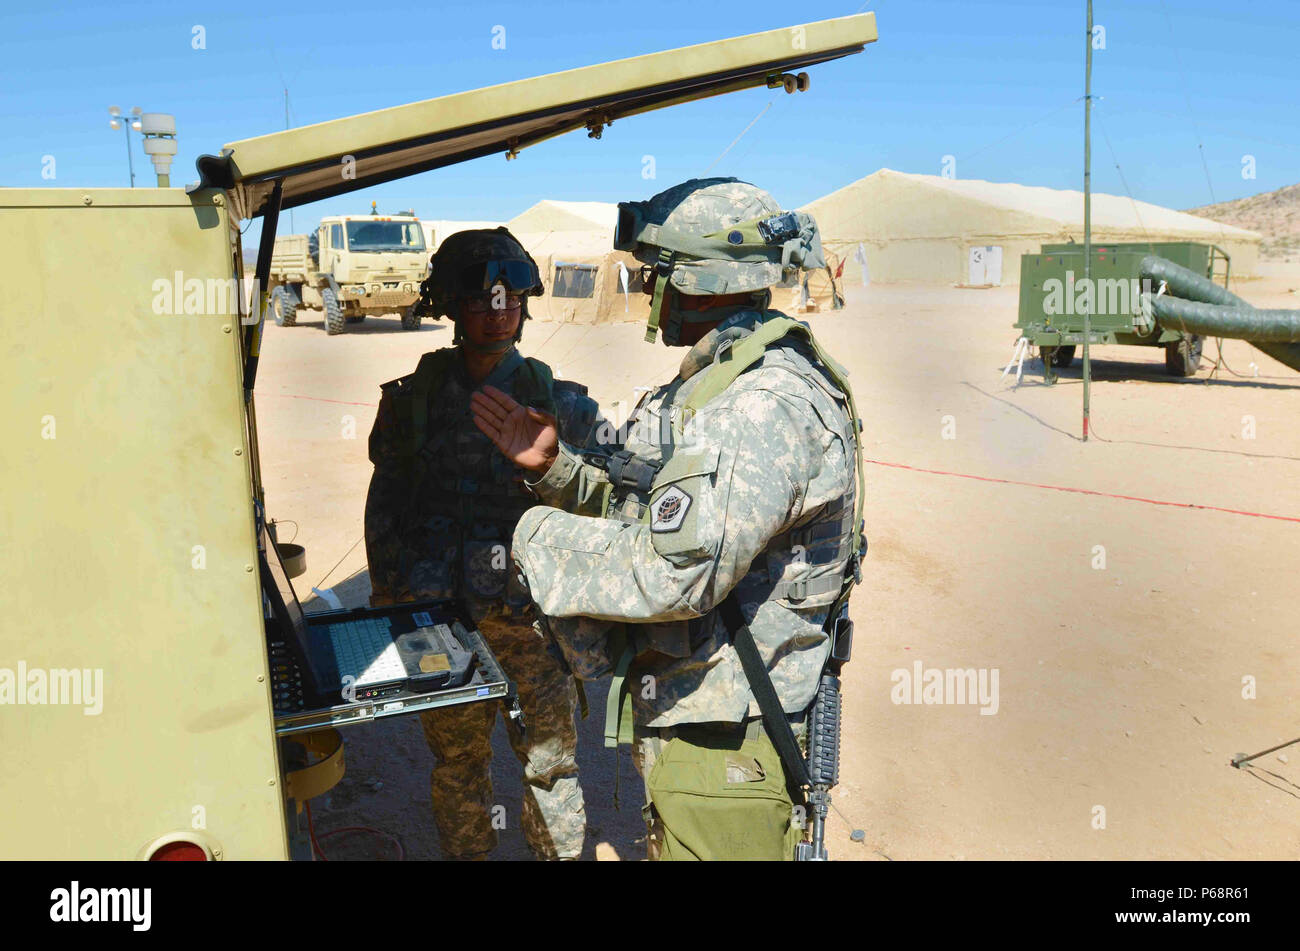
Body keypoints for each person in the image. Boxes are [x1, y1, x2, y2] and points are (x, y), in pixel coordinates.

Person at [470, 178, 864, 860]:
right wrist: (555, 467)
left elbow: (670, 570)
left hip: (730, 742)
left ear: (696, 279)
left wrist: (529, 538)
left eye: (660, 275)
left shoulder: (760, 403)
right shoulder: (712, 382)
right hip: (700, 720)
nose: (654, 291)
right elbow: (651, 502)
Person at [364, 228, 597, 860]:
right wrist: (390, 596)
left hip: (531, 624)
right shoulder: (413, 403)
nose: (498, 310)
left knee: (550, 766)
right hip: (441, 623)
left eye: (510, 296)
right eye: (480, 297)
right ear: (448, 305)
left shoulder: (564, 405)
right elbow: (386, 503)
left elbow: (598, 509)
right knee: (457, 763)